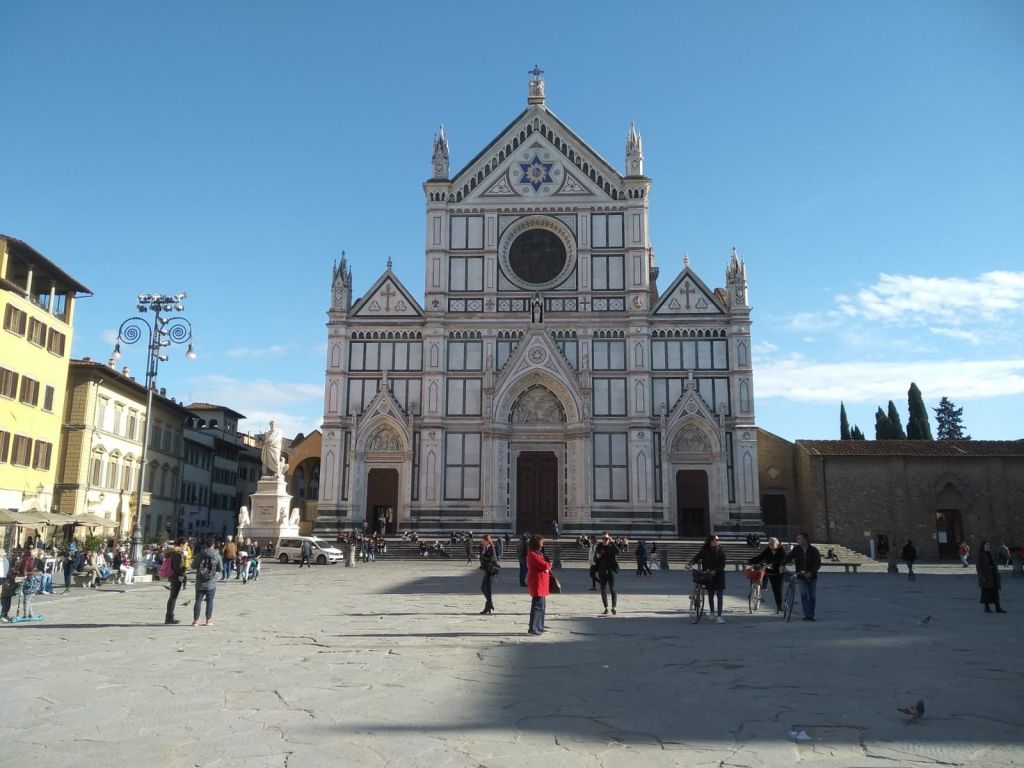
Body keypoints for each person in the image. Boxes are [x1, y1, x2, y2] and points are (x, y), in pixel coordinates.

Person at [689, 534, 727, 623]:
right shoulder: (704, 550)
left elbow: (723, 563)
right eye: (716, 540)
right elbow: (697, 557)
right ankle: (712, 612)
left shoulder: (721, 550)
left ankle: (719, 616)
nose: (718, 541)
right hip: (708, 575)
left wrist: (716, 571)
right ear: (711, 541)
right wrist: (690, 563)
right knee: (710, 594)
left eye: (718, 540)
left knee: (720, 595)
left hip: (719, 575)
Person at [784, 532, 822, 621]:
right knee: (804, 595)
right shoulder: (796, 549)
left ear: (805, 539)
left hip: (812, 576)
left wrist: (811, 572)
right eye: (797, 538)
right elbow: (788, 557)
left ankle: (811, 615)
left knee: (812, 596)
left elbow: (817, 563)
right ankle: (807, 615)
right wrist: (782, 564)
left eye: (799, 538)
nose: (797, 540)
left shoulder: (813, 550)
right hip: (801, 576)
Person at [748, 536, 787, 613]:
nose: (771, 545)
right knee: (774, 589)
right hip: (771, 572)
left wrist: (774, 563)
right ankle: (764, 586)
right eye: (769, 543)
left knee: (778, 590)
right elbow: (760, 557)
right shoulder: (768, 549)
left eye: (772, 543)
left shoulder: (781, 550)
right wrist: (750, 561)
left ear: (777, 543)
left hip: (780, 572)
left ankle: (779, 607)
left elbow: (783, 560)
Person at [192, 538, 222, 626]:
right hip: (211, 582)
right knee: (209, 602)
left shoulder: (199, 555)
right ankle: (208, 620)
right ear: (213, 545)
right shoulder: (217, 555)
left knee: (198, 601)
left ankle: (196, 621)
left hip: (199, 582)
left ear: (205, 545)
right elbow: (220, 569)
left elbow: (193, 566)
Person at [526, 534, 551, 635]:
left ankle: (539, 626)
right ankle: (533, 628)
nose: (542, 544)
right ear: (537, 543)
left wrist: (547, 566)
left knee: (542, 607)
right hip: (537, 584)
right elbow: (545, 565)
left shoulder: (538, 553)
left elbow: (546, 565)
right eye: (541, 542)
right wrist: (547, 565)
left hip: (542, 583)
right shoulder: (532, 554)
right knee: (537, 607)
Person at [594, 531, 621, 616]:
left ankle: (614, 607)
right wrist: (597, 557)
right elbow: (595, 559)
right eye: (603, 538)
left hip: (611, 571)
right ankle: (606, 607)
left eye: (606, 538)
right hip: (602, 571)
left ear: (609, 539)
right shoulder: (599, 547)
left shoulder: (611, 546)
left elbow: (618, 552)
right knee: (603, 590)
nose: (605, 540)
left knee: (612, 589)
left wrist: (612, 542)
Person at [976, 541, 1006, 613]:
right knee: (986, 593)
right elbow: (979, 567)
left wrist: (998, 575)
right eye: (986, 545)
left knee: (995, 593)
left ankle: (998, 608)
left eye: (989, 545)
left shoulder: (991, 554)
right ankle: (987, 608)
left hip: (993, 576)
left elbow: (995, 564)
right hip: (986, 577)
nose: (988, 546)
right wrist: (982, 577)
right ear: (983, 547)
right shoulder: (981, 555)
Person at [163, 539, 187, 625]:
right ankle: (169, 617)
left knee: (172, 598)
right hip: (176, 577)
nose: (186, 547)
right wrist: (184, 573)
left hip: (173, 576)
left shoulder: (173, 553)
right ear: (181, 545)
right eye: (185, 545)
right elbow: (178, 568)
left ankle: (169, 617)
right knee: (173, 598)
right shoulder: (178, 554)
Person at [478, 534, 499, 614]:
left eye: (483, 540)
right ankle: (489, 604)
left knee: (487, 587)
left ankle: (488, 605)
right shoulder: (485, 548)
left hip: (491, 570)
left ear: (487, 540)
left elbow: (491, 559)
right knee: (484, 588)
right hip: (487, 570)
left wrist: (482, 557)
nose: (482, 542)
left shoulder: (492, 548)